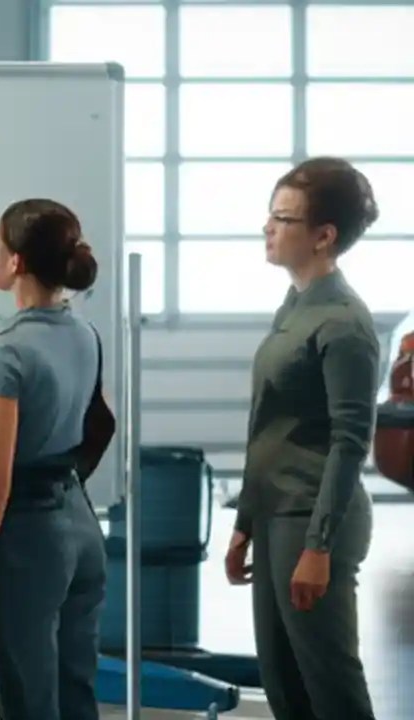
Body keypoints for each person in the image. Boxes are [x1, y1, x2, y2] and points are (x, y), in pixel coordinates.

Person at [225, 157, 381, 720]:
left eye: (282, 218)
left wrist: (319, 546)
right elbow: (265, 424)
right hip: (275, 514)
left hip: (312, 517)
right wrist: (246, 520)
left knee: (329, 683)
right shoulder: (293, 308)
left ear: (324, 236)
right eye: (270, 215)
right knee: (284, 685)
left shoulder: (343, 322)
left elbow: (350, 441)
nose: (268, 228)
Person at [0, 199, 107, 720]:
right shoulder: (84, 333)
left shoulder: (6, 352)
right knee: (75, 694)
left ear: (16, 262)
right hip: (80, 525)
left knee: (28, 702)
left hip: (28, 536)